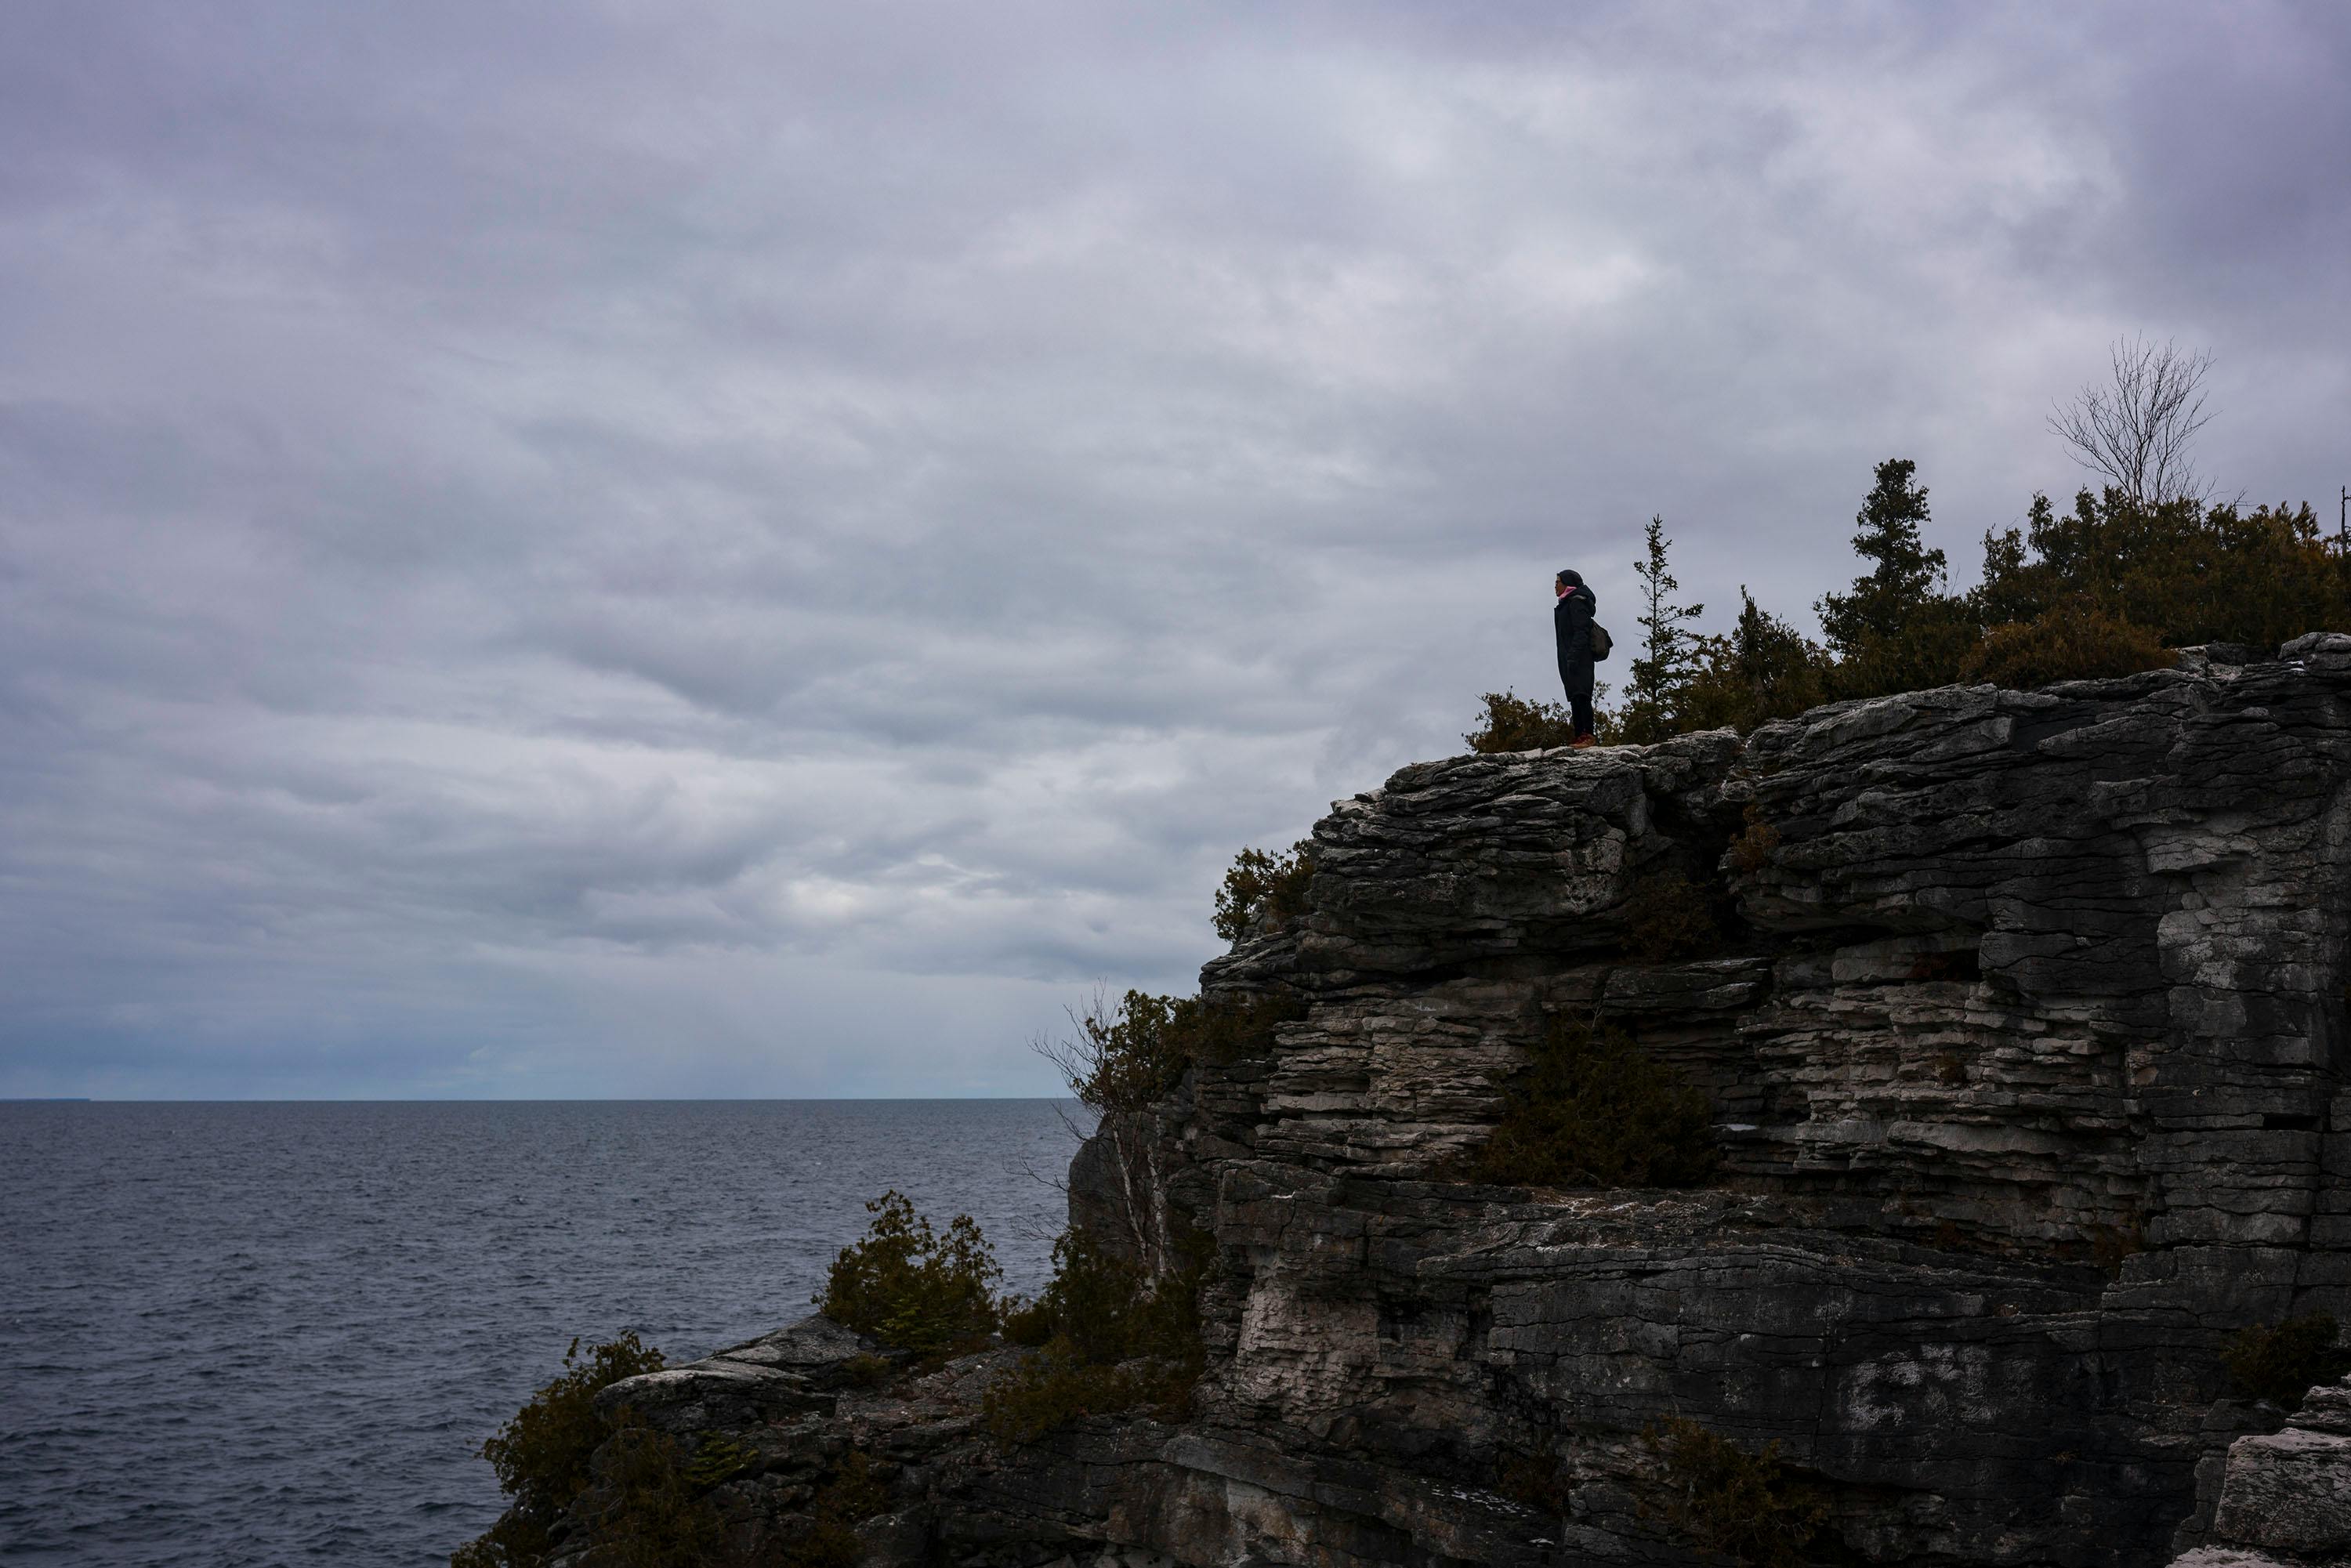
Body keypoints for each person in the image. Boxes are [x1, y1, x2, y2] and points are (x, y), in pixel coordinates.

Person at [1553, 569, 1597, 748]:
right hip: (1569, 657)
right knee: (1574, 697)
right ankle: (1579, 735)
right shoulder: (1565, 604)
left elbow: (1582, 632)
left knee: (1582, 695)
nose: (1555, 586)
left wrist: (1573, 656)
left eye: (1558, 582)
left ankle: (1588, 736)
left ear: (1567, 583)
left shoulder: (1576, 603)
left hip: (1580, 657)